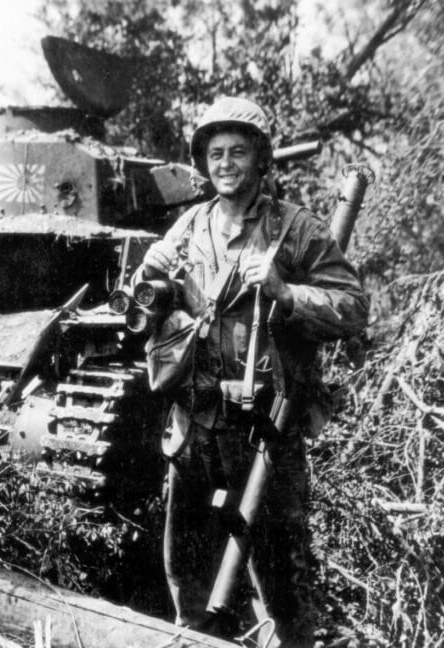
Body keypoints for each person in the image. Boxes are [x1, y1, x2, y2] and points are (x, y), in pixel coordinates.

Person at [137, 97, 369, 646]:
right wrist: (151, 276)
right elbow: (146, 293)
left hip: (266, 432)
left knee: (279, 582)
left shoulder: (296, 230)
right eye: (214, 152)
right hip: (194, 426)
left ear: (262, 160)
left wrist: (287, 293)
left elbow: (354, 306)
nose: (224, 162)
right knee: (186, 568)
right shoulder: (190, 226)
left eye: (238, 151)